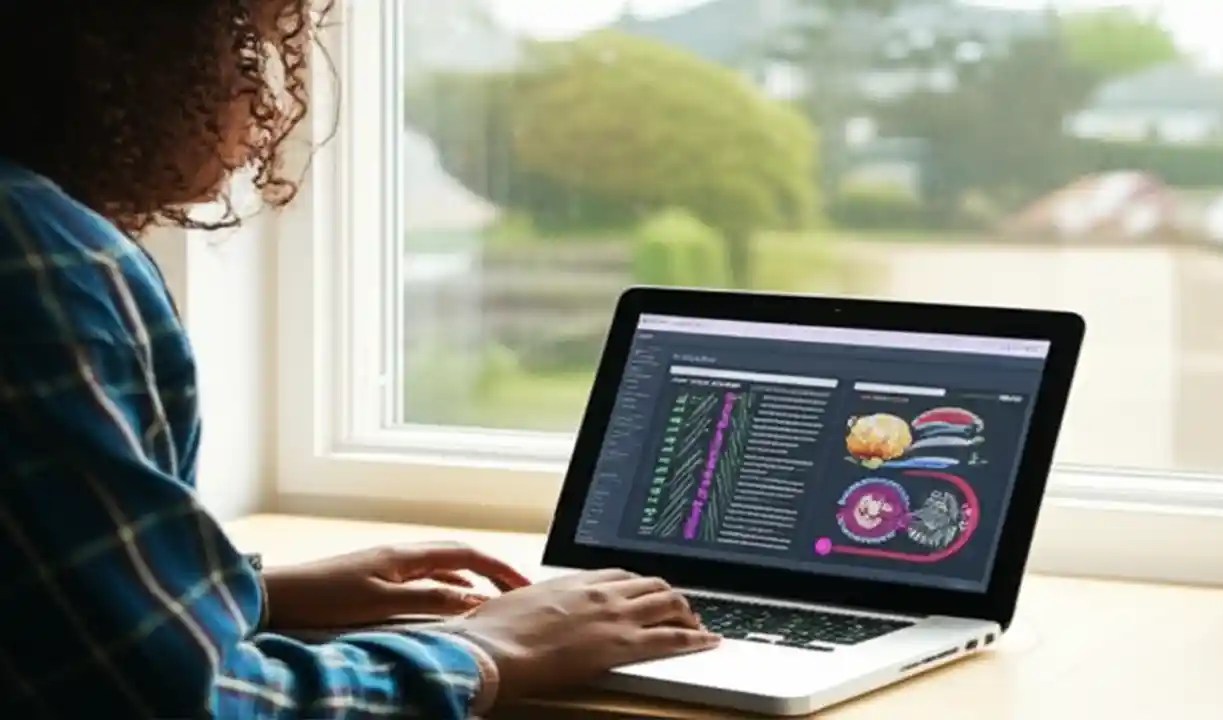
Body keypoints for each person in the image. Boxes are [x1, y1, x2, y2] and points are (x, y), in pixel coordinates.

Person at [0, 2, 719, 717]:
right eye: (244, 46)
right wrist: (487, 651)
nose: (265, 94)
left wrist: (255, 590)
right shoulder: (44, 263)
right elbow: (191, 706)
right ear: (132, 57)